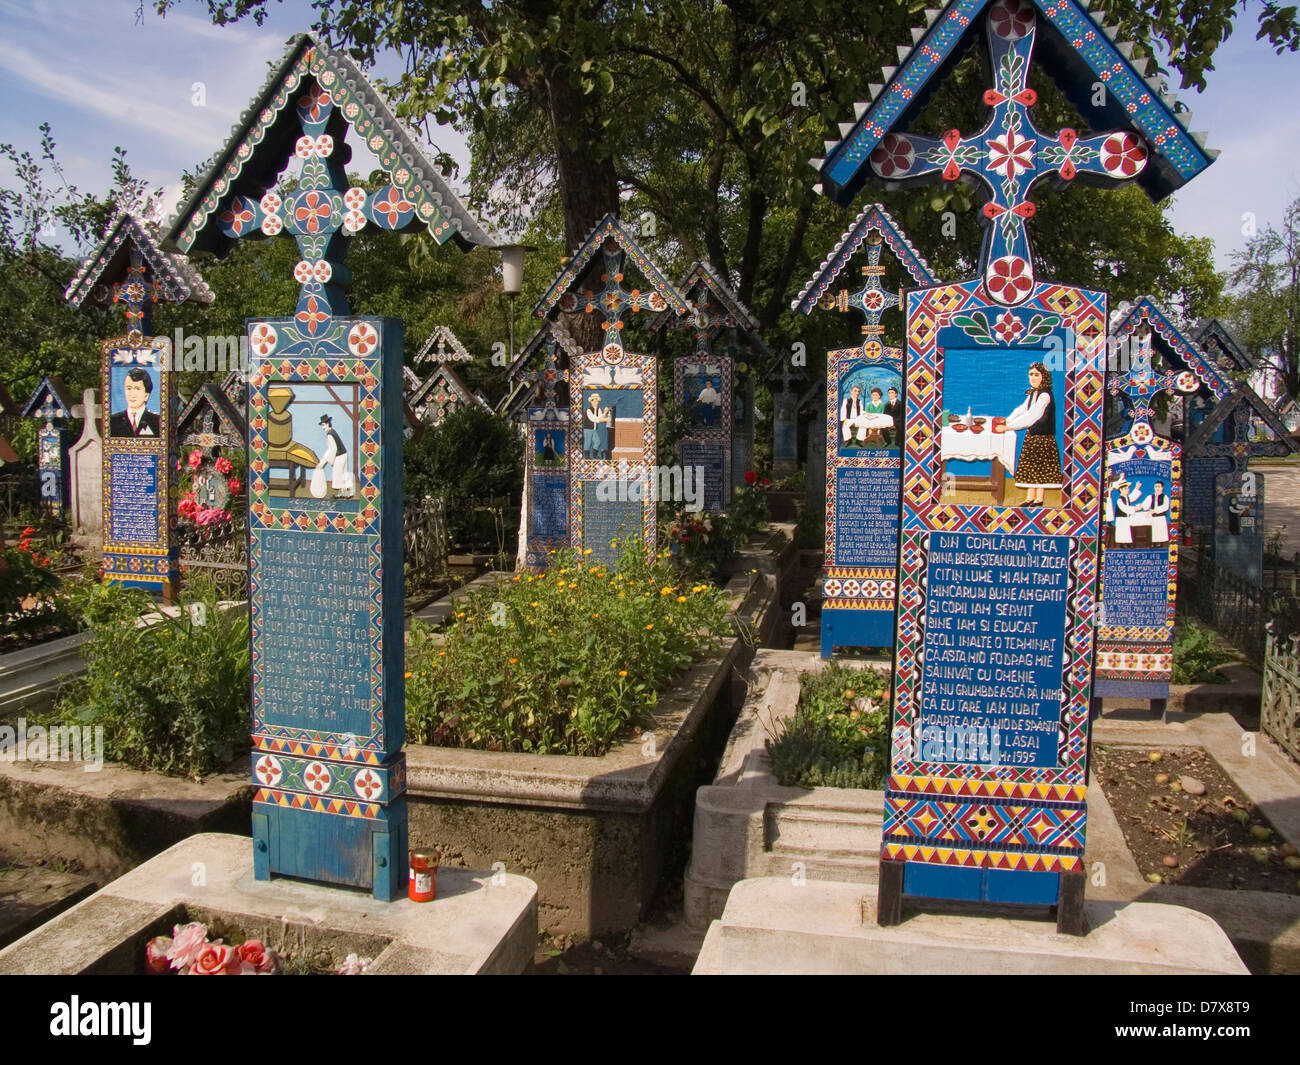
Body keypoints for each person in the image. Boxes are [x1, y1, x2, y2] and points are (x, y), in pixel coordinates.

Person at [1001, 362, 1062, 506]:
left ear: (1044, 377)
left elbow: (1032, 416)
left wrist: (1009, 427)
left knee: (1040, 469)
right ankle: (1030, 498)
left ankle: (1039, 499)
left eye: (1036, 375)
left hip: (1043, 438)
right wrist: (1007, 421)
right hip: (1032, 437)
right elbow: (1022, 409)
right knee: (1031, 468)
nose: (1033, 378)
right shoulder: (1033, 393)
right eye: (1031, 374)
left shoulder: (1045, 395)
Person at [109, 367, 161, 437]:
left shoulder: (157, 421)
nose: (132, 394)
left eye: (137, 389)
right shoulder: (113, 421)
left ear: (146, 395)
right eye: (129, 388)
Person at [316, 415, 354, 498]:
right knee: (342, 475)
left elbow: (332, 449)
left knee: (338, 475)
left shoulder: (330, 434)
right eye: (322, 425)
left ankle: (346, 493)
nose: (323, 428)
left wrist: (323, 462)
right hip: (343, 454)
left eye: (323, 425)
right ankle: (345, 493)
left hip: (340, 456)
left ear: (328, 424)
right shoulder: (332, 431)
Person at [583, 392, 611, 458]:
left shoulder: (598, 409)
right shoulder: (588, 410)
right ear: (591, 402)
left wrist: (605, 412)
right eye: (594, 401)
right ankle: (587, 458)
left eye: (597, 401)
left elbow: (601, 417)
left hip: (594, 429)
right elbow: (595, 419)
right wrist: (606, 419)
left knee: (597, 442)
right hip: (588, 429)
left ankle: (594, 457)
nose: (596, 403)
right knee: (587, 443)